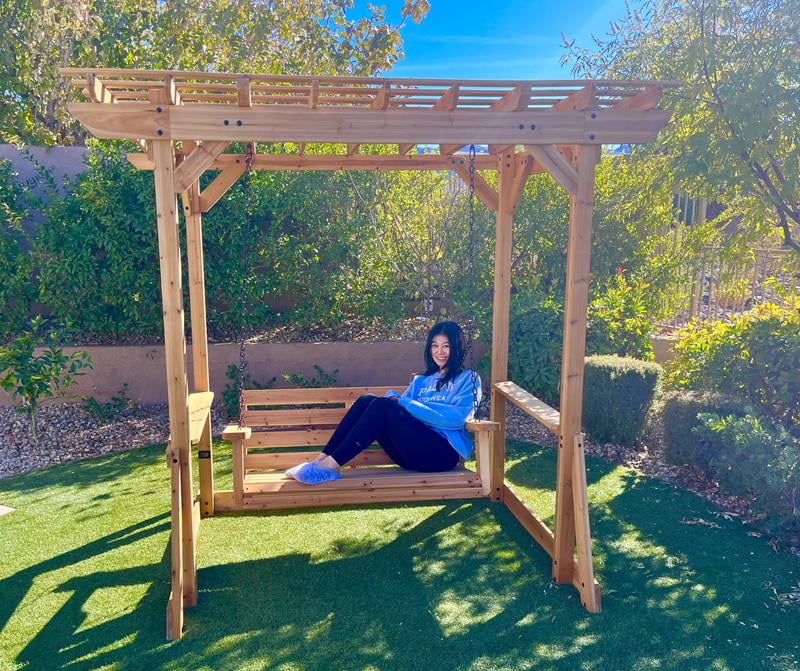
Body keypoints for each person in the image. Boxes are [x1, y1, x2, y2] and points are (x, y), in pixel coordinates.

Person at [287, 321, 481, 485]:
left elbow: (456, 419)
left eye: (446, 346)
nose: (439, 352)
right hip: (410, 453)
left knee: (382, 406)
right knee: (367, 400)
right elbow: (401, 408)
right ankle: (320, 462)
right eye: (434, 345)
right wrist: (398, 401)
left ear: (457, 348)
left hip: (442, 454)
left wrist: (405, 404)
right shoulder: (421, 380)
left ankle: (330, 466)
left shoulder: (468, 378)